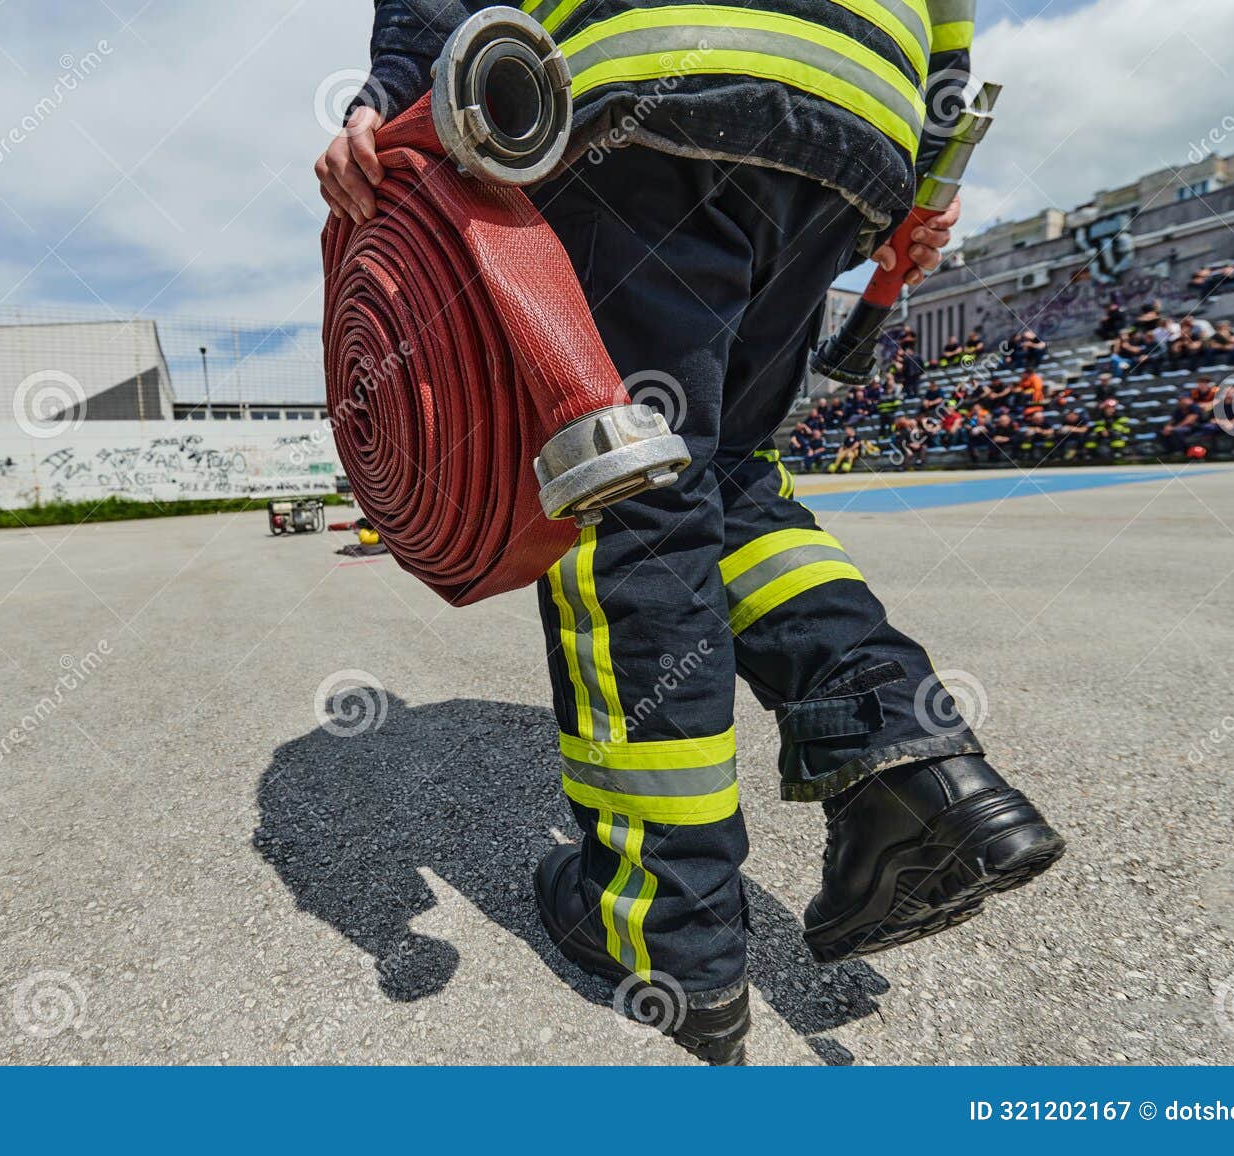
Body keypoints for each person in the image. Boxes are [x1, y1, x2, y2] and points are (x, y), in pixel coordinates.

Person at [324, 0, 1064, 1065]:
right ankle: (911, 762)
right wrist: (921, 179)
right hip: (852, 128)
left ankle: (660, 922)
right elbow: (949, 29)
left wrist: (388, 94)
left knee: (623, 490)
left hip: (645, 103)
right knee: (727, 475)